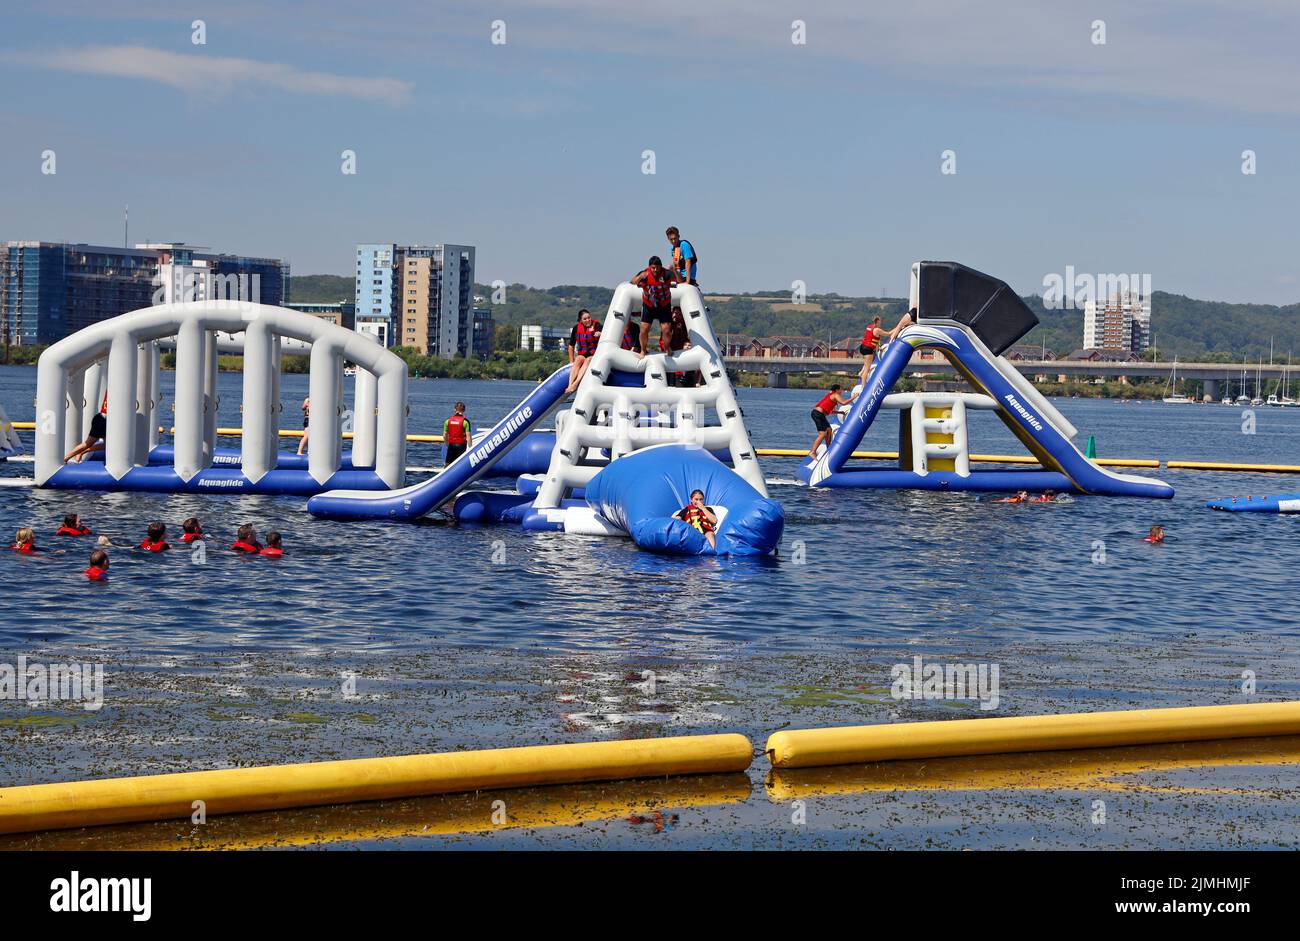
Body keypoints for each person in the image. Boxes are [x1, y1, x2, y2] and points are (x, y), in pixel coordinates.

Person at [633, 256, 676, 359]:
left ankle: (667, 347)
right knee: (644, 329)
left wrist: (673, 270)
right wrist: (640, 277)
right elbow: (633, 281)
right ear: (649, 267)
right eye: (653, 268)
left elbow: (676, 282)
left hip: (664, 305)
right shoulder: (644, 274)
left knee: (666, 330)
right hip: (649, 305)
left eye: (657, 267)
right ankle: (643, 350)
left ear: (661, 266)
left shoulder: (667, 274)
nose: (655, 270)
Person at [808, 385, 857, 457]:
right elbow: (843, 402)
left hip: (819, 414)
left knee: (829, 429)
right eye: (841, 389)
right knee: (823, 434)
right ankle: (812, 452)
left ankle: (828, 449)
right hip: (817, 414)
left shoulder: (832, 395)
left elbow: (830, 411)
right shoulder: (835, 395)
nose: (842, 391)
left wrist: (840, 412)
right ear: (837, 390)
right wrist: (854, 397)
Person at [64, 392, 108, 464]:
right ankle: (66, 458)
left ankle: (82, 452)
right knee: (88, 443)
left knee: (107, 445)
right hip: (103, 420)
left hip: (102, 418)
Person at [566, 309, 601, 393]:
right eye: (585, 319)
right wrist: (571, 361)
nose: (588, 320)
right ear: (580, 320)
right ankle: (570, 385)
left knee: (588, 360)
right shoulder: (576, 328)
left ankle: (576, 383)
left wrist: (600, 333)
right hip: (582, 353)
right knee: (578, 359)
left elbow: (605, 333)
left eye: (589, 318)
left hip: (594, 355)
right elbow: (571, 346)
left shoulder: (597, 325)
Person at [858, 315, 883, 384]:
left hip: (862, 347)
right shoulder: (877, 330)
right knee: (867, 369)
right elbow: (888, 334)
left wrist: (878, 348)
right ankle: (863, 386)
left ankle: (861, 372)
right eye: (880, 321)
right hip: (868, 349)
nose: (880, 322)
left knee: (867, 361)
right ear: (877, 321)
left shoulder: (869, 327)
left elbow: (874, 340)